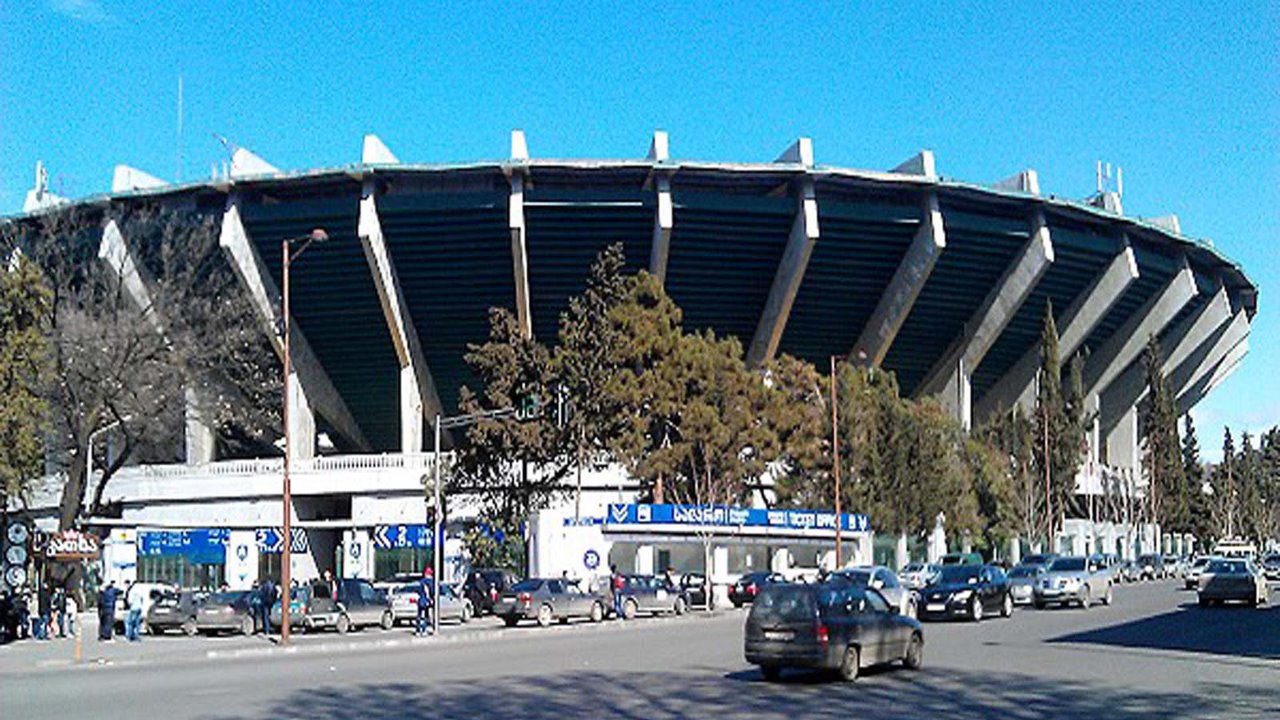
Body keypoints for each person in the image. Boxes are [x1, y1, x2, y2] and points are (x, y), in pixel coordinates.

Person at [415, 568, 434, 636]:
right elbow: (432, 592)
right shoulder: (430, 582)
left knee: (419, 615)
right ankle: (423, 630)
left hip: (420, 600)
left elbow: (418, 590)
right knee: (425, 616)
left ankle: (418, 630)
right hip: (426, 600)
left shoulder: (421, 581)